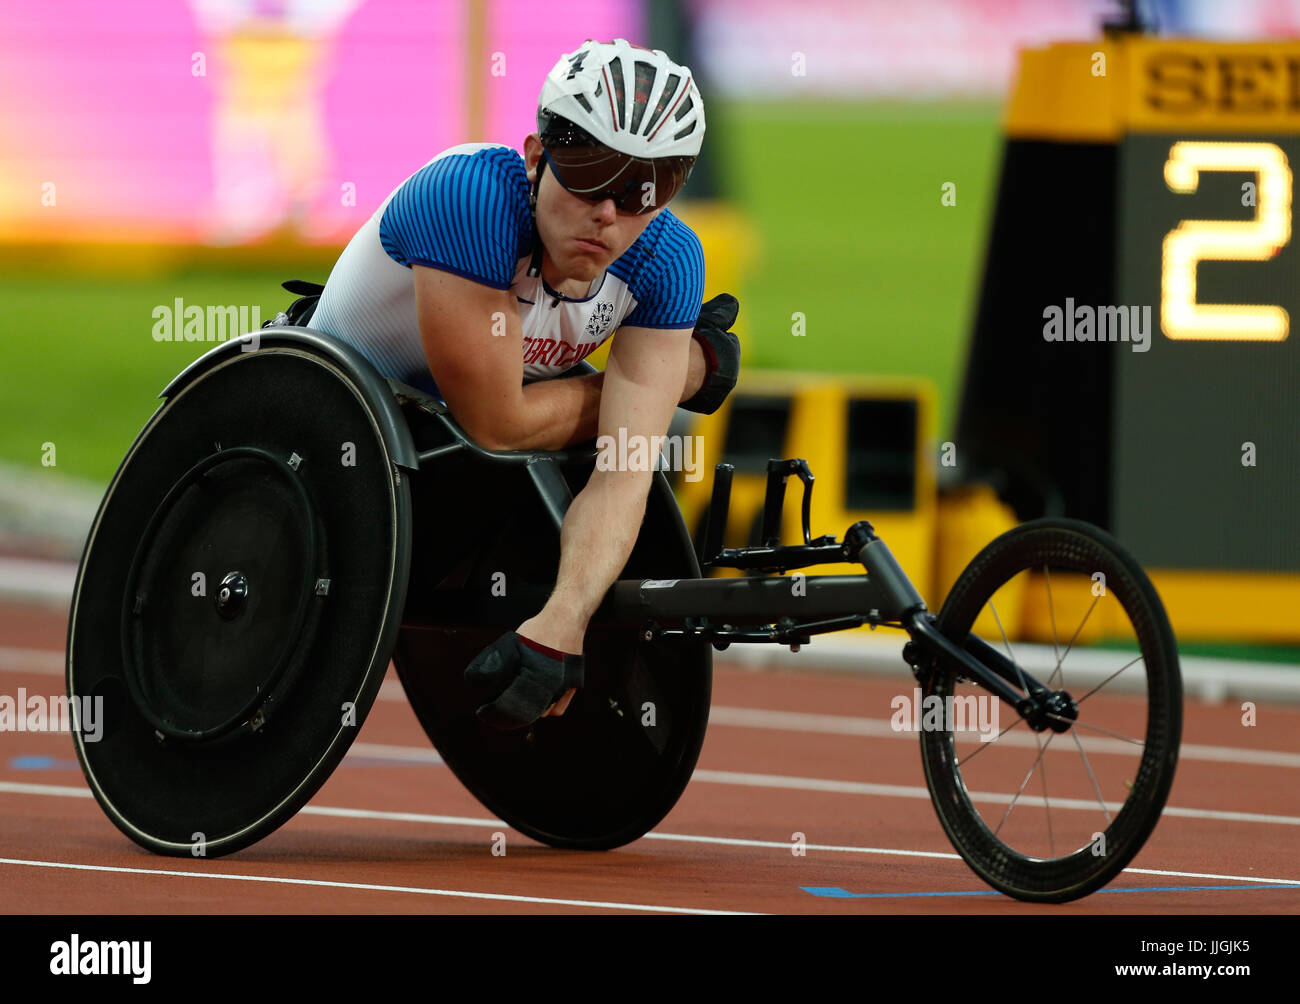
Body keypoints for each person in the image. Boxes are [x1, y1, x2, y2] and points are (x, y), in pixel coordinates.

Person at [308, 39, 741, 729]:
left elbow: (623, 472)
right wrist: (676, 376)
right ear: (536, 157)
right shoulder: (470, 200)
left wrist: (562, 623)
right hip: (323, 445)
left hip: (459, 485)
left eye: (640, 192)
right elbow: (498, 425)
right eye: (591, 173)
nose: (607, 212)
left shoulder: (669, 261)